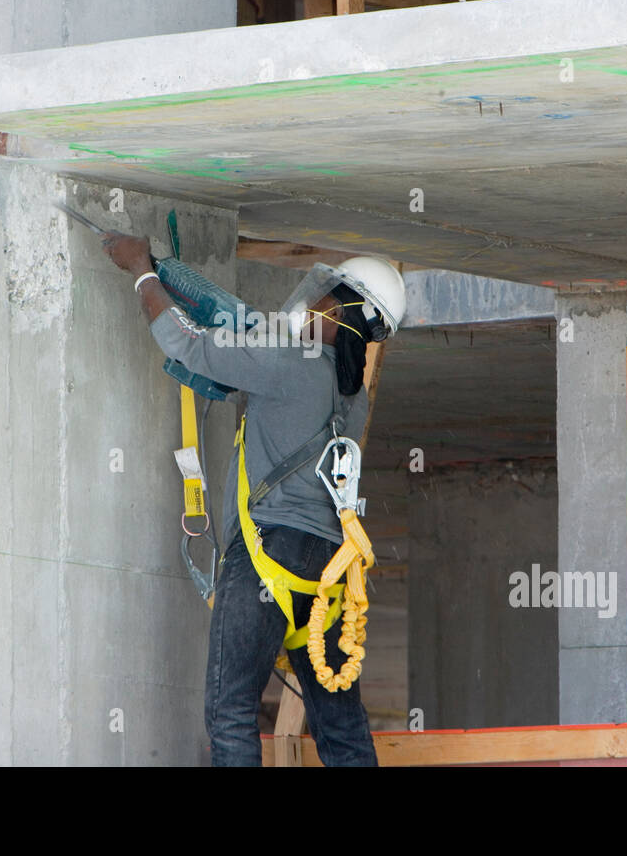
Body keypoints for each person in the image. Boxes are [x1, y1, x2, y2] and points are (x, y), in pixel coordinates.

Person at [102, 231, 405, 767]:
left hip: (269, 555)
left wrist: (141, 271)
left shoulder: (289, 363)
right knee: (339, 724)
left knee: (231, 710)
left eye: (325, 296)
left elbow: (187, 344)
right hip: (327, 570)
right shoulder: (349, 397)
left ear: (339, 306)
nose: (314, 302)